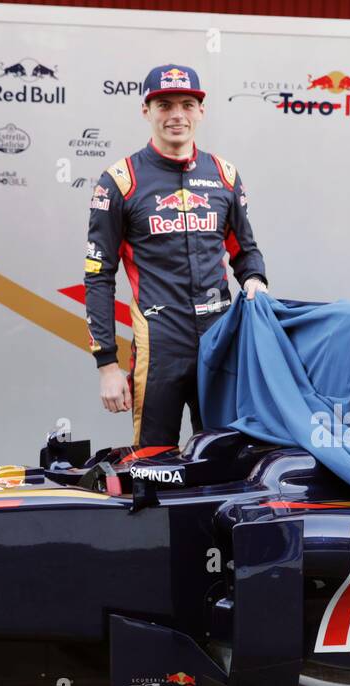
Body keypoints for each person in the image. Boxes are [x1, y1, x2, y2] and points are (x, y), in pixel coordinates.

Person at [84, 64, 268, 448]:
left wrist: (254, 280)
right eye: (164, 105)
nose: (176, 115)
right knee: (152, 464)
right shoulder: (120, 180)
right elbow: (99, 274)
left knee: (224, 456)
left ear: (201, 111)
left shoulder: (225, 175)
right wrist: (107, 365)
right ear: (146, 111)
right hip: (160, 342)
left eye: (187, 104)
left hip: (220, 338)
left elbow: (244, 251)